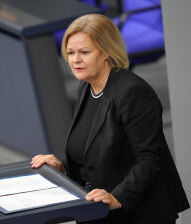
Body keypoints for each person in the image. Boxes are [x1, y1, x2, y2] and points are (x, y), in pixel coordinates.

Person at [31, 14, 189, 224]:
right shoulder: (87, 87)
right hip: (98, 210)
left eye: (84, 52)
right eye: (70, 53)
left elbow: (149, 160)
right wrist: (63, 167)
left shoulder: (133, 93)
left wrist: (118, 198)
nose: (75, 60)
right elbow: (93, 152)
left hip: (138, 213)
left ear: (106, 51)